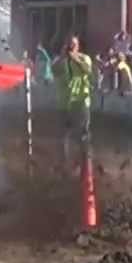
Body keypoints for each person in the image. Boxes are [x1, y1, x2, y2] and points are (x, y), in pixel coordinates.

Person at [51, 35, 92, 166]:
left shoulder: (84, 58)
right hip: (65, 103)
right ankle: (64, 163)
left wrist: (75, 58)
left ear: (78, 46)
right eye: (69, 44)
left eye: (74, 44)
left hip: (81, 102)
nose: (71, 47)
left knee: (83, 135)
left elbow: (87, 70)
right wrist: (62, 57)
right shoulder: (61, 61)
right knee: (62, 135)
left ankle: (85, 164)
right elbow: (53, 70)